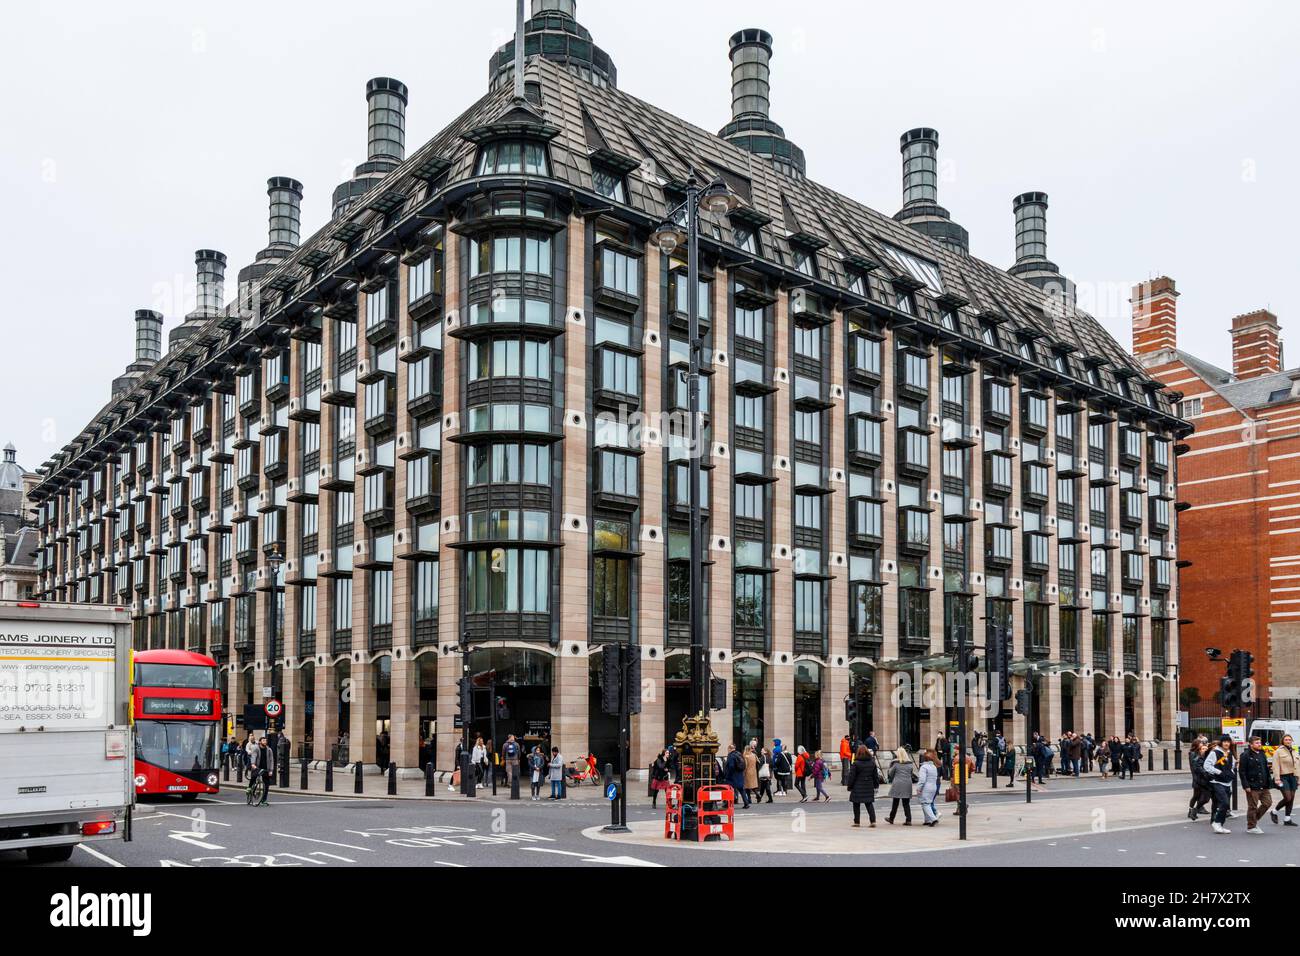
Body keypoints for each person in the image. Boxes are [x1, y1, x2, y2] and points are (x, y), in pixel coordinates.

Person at [1238, 735, 1272, 834]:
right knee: (1253, 806)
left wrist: (1269, 781)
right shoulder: (1245, 755)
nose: (1259, 744)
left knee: (1267, 803)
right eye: (1257, 743)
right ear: (1251, 744)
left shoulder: (1262, 753)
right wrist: (1246, 785)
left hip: (1264, 785)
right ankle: (1251, 827)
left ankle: (1253, 819)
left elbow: (1266, 768)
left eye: (1260, 742)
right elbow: (1242, 772)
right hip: (1252, 785)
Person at [1204, 735, 1236, 834]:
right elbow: (1207, 765)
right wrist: (1219, 772)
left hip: (1227, 782)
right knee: (1224, 802)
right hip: (1217, 782)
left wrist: (1231, 773)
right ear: (1221, 743)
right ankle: (1216, 822)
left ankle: (1220, 825)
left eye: (1228, 742)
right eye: (1224, 741)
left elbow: (1232, 766)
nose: (1226, 743)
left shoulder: (1230, 754)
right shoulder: (1215, 753)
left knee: (1225, 805)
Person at [845, 745, 880, 827]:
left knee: (856, 804)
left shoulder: (856, 763)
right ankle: (873, 821)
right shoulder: (872, 763)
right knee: (869, 804)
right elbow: (875, 776)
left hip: (857, 786)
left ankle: (857, 822)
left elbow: (852, 777)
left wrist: (849, 786)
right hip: (869, 786)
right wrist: (876, 786)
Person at [1270, 733, 1298, 826]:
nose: (1288, 741)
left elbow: (1297, 765)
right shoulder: (1278, 751)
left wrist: (1298, 778)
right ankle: (1274, 811)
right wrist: (1277, 778)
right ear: (1283, 741)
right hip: (1283, 777)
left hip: (1293, 777)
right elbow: (1275, 766)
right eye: (1286, 740)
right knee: (1287, 797)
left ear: (1292, 741)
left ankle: (1287, 819)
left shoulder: (1294, 751)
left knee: (1292, 798)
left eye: (1289, 740)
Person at [886, 747, 916, 825]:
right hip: (907, 784)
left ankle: (891, 818)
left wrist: (890, 766)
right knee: (906, 803)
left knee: (895, 802)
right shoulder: (910, 764)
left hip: (898, 784)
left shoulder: (896, 764)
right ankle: (908, 820)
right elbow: (911, 773)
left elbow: (890, 774)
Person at [1187, 738, 1212, 821]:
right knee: (1196, 795)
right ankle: (1191, 810)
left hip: (1202, 778)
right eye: (1200, 743)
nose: (1202, 744)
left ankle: (1196, 809)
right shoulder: (1192, 753)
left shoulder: (1200, 752)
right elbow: (1194, 765)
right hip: (1197, 778)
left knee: (1203, 796)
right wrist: (1201, 754)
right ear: (1196, 744)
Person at [917, 749, 941, 826]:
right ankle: (927, 820)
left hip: (926, 788)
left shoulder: (924, 767)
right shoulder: (934, 766)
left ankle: (933, 819)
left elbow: (922, 780)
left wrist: (919, 788)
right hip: (933, 787)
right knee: (928, 803)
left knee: (925, 804)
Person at [723, 743, 750, 809]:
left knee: (728, 790)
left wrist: (728, 774)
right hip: (739, 775)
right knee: (741, 790)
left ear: (729, 749)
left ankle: (727, 804)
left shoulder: (731, 756)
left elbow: (731, 766)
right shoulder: (739, 754)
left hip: (732, 776)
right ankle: (746, 803)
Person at [253, 736, 275, 806]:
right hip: (257, 768)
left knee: (266, 785)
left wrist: (271, 770)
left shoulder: (269, 750)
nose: (265, 742)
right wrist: (253, 764)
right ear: (260, 742)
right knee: (253, 779)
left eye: (266, 741)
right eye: (263, 741)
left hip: (266, 769)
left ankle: (263, 800)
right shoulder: (256, 749)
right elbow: (254, 757)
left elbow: (271, 760)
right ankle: (251, 790)